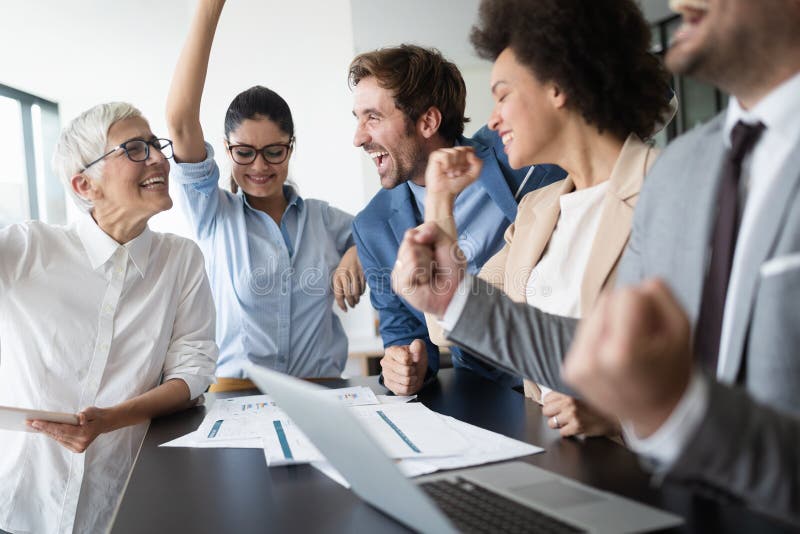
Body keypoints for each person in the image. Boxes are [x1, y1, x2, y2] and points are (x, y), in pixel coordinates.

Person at [394, 0, 800, 525]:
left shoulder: (660, 176)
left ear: (558, 88)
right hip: (611, 482)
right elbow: (602, 348)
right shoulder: (690, 165)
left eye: (502, 96)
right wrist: (450, 295)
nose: (677, 4)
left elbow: (670, 387)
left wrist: (646, 412)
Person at [420, 0, 671, 438]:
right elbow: (451, 322)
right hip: (556, 461)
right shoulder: (537, 210)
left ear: (557, 86)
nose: (492, 119)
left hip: (646, 477)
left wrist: (620, 417)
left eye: (502, 95)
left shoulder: (669, 189)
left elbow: (718, 367)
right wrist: (439, 203)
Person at [0, 102, 218, 533]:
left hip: (119, 506)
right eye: (135, 149)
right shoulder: (27, 248)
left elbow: (193, 371)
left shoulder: (180, 260)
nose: (158, 158)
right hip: (19, 505)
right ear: (85, 184)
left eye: (156, 144)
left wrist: (113, 418)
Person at [167, 0, 364, 390]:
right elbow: (179, 121)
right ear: (226, 150)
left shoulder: (325, 220)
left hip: (325, 392)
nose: (259, 167)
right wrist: (209, 9)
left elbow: (378, 232)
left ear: (291, 147)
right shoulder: (213, 215)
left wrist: (355, 254)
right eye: (244, 153)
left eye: (274, 151)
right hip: (237, 396)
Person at [350, 44, 566, 395]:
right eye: (357, 119)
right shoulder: (371, 226)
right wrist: (405, 363)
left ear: (428, 122)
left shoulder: (517, 147)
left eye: (372, 117)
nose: (358, 137)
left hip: (561, 375)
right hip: (484, 395)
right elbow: (405, 332)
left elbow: (622, 115)